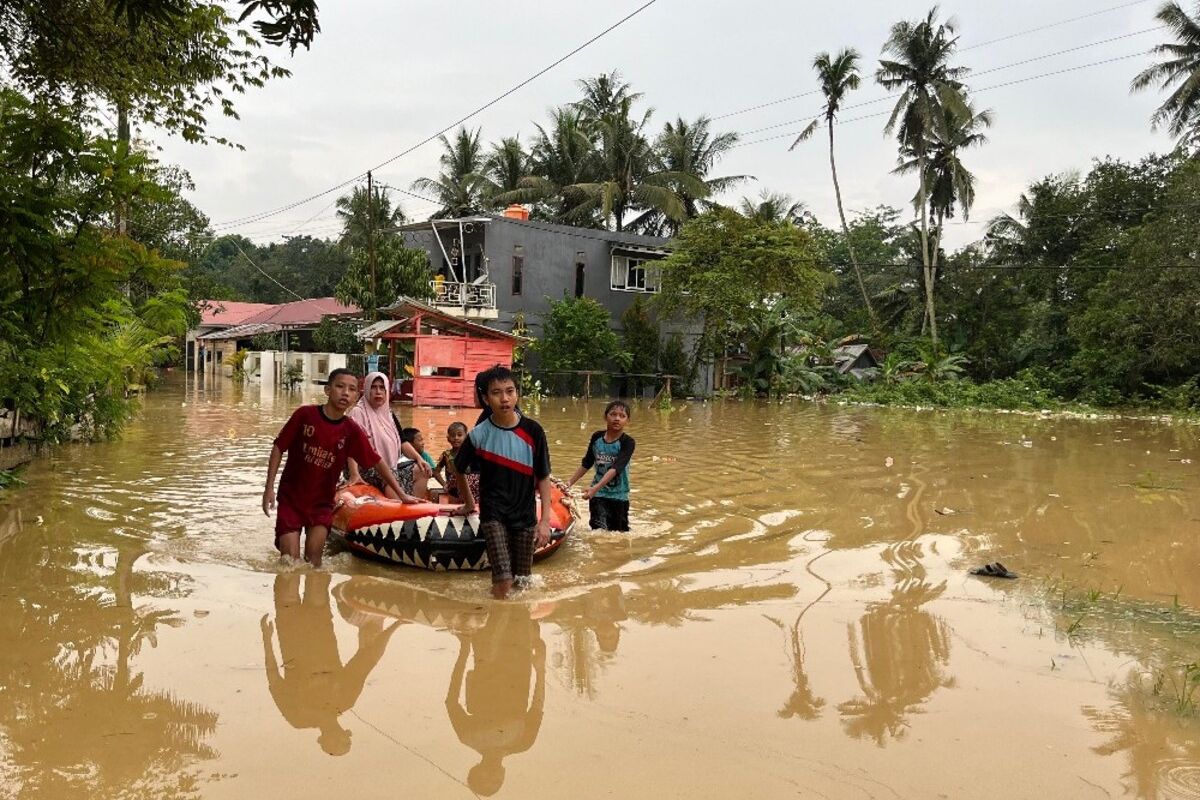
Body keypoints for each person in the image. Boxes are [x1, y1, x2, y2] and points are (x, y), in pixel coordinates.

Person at [262, 368, 409, 566]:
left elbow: (377, 461)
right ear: (327, 390)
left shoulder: (351, 430)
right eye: (340, 387)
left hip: (322, 503)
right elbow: (279, 447)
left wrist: (402, 495)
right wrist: (269, 488)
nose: (345, 393)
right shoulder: (305, 415)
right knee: (290, 562)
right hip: (292, 499)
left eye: (352, 389)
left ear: (357, 396)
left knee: (314, 563)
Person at [261, 572, 401, 756]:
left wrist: (267, 639)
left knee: (290, 573)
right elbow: (368, 657)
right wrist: (396, 625)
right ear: (345, 732)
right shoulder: (347, 698)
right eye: (342, 739)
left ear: (322, 739)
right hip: (319, 619)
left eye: (335, 740)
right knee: (317, 574)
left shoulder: (297, 717)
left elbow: (273, 677)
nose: (337, 735)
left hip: (290, 624)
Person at [454, 366, 552, 599]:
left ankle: (515, 620)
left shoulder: (534, 431)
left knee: (523, 581)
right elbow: (458, 468)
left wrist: (545, 521)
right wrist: (469, 503)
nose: (504, 398)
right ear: (486, 399)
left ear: (517, 394)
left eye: (510, 391)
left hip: (525, 515)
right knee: (504, 581)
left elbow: (544, 475)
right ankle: (495, 617)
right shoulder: (478, 435)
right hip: (493, 514)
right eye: (496, 393)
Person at [345, 371, 424, 501]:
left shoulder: (389, 415)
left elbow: (403, 442)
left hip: (389, 467)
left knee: (421, 470)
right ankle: (400, 507)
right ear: (366, 390)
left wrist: (419, 458)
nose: (378, 392)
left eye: (382, 388)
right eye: (373, 387)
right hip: (365, 469)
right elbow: (352, 446)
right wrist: (354, 474)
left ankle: (418, 507)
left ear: (387, 391)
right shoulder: (358, 412)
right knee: (388, 473)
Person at [565, 400, 635, 532]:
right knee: (598, 531)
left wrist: (594, 489)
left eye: (622, 416)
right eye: (613, 414)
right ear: (605, 416)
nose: (617, 418)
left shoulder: (628, 442)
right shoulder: (597, 437)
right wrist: (568, 484)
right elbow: (587, 463)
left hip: (619, 495)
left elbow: (616, 468)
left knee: (618, 534)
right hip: (598, 495)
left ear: (627, 421)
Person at [434, 421, 478, 502]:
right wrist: (444, 484)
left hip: (469, 487)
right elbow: (436, 472)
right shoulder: (446, 455)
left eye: (459, 435)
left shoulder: (472, 454)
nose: (456, 438)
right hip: (453, 488)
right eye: (452, 435)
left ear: (466, 437)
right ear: (448, 438)